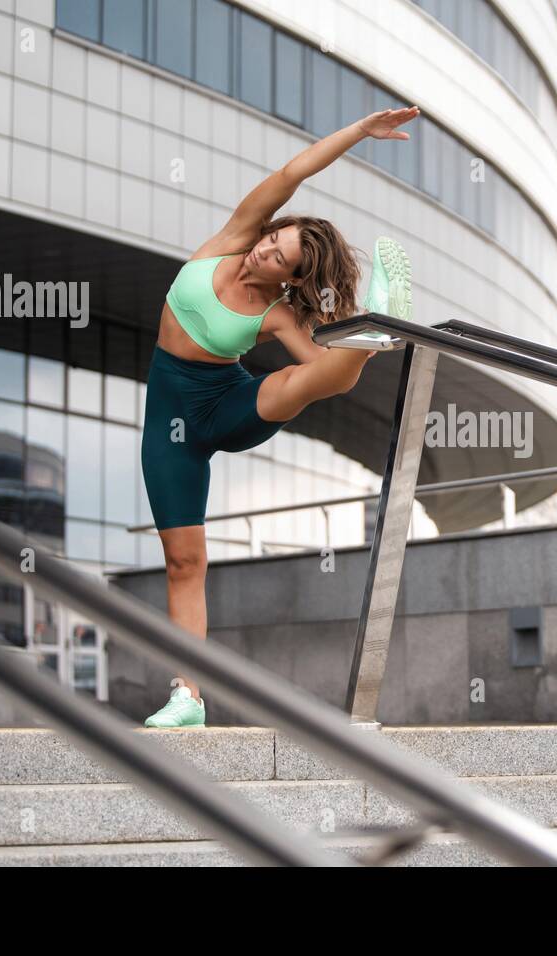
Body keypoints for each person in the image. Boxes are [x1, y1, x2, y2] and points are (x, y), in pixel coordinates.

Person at [140, 106, 420, 728]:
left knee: (300, 380)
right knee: (184, 561)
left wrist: (338, 339)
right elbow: (292, 173)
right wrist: (355, 131)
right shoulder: (231, 238)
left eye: (278, 256)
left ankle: (374, 329)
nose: (264, 250)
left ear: (292, 277)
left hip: (225, 407)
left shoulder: (281, 314)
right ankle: (188, 697)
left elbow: (326, 381)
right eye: (273, 238)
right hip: (169, 422)